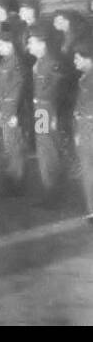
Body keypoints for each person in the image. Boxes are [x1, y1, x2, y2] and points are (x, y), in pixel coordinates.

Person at [30, 25, 65, 207]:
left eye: (31, 42)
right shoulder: (40, 62)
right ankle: (49, 190)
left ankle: (52, 193)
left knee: (47, 150)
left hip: (45, 110)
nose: (28, 45)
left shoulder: (50, 62)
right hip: (40, 109)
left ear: (42, 43)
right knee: (44, 149)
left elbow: (56, 91)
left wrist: (52, 115)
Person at [0, 27, 30, 196]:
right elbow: (1, 90)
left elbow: (17, 90)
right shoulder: (4, 62)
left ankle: (17, 184)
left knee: (15, 148)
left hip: (12, 112)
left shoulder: (16, 63)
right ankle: (11, 183)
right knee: (8, 148)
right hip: (5, 110)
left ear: (10, 45)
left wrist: (14, 113)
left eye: (1, 44)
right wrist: (0, 110)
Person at [71, 39, 93, 222]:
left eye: (77, 58)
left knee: (88, 169)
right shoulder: (84, 78)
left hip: (44, 109)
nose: (74, 62)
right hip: (84, 126)